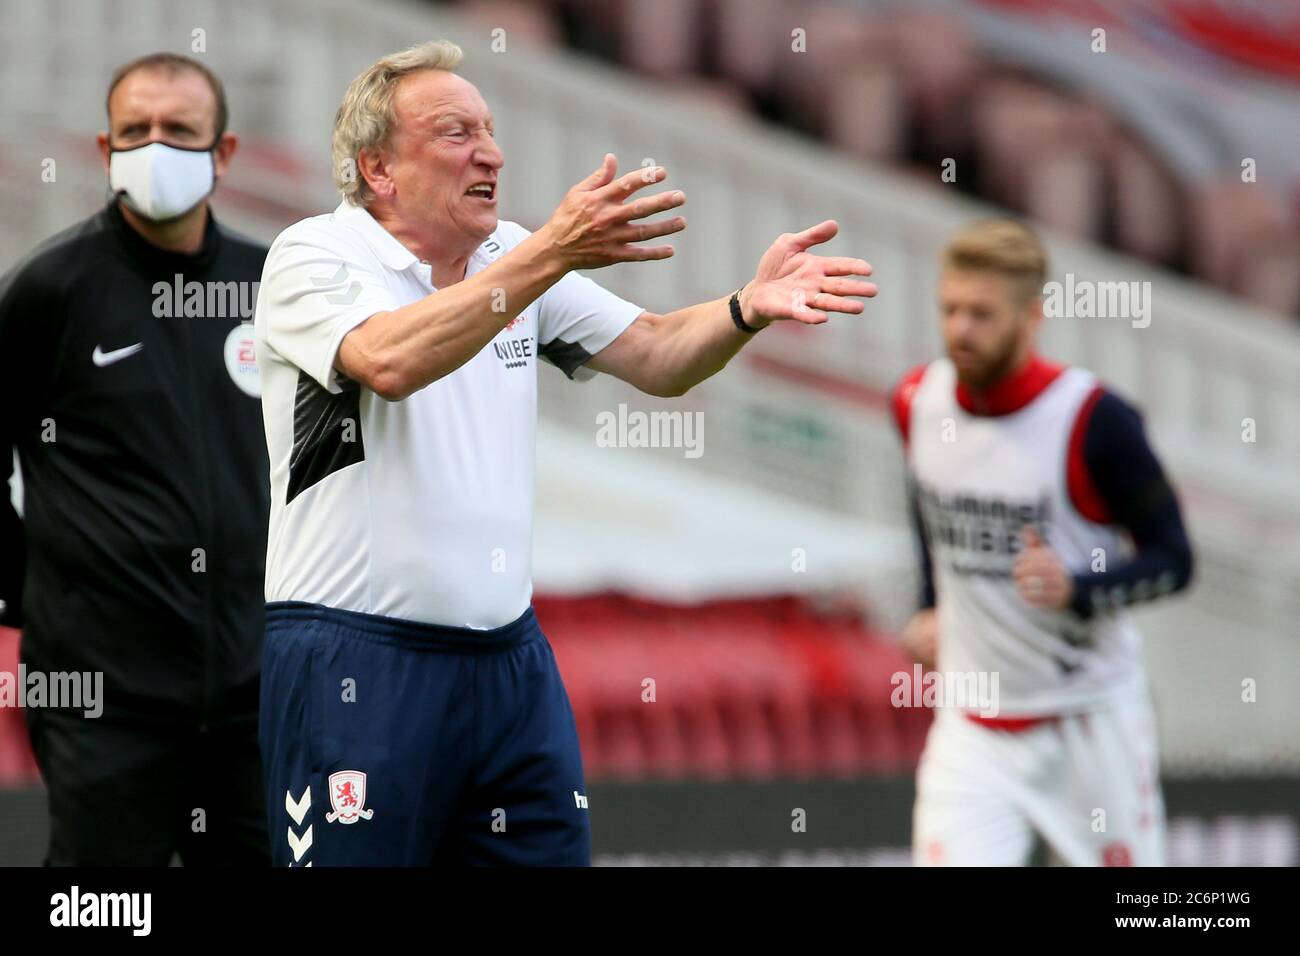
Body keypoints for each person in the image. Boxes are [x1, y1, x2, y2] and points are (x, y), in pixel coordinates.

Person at [255, 40, 877, 866]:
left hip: (508, 665)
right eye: (455, 133)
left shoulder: (513, 256)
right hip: (356, 662)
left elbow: (655, 354)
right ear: (378, 169)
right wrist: (548, 254)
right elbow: (388, 362)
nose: (491, 152)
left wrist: (744, 308)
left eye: (490, 129)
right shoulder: (313, 256)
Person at [0, 53, 270, 865]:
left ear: (223, 153)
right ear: (105, 147)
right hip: (102, 703)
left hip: (257, 696)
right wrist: (34, 594)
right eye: (136, 130)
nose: (156, 145)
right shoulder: (49, 290)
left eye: (179, 131)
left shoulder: (273, 287)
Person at [891, 219, 1194, 866]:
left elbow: (1176, 561)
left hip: (1087, 719)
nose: (960, 330)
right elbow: (929, 501)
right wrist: (930, 603)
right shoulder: (918, 402)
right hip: (971, 727)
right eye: (949, 310)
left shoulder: (1094, 421)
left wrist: (1078, 590)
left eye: (982, 314)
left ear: (1033, 317)